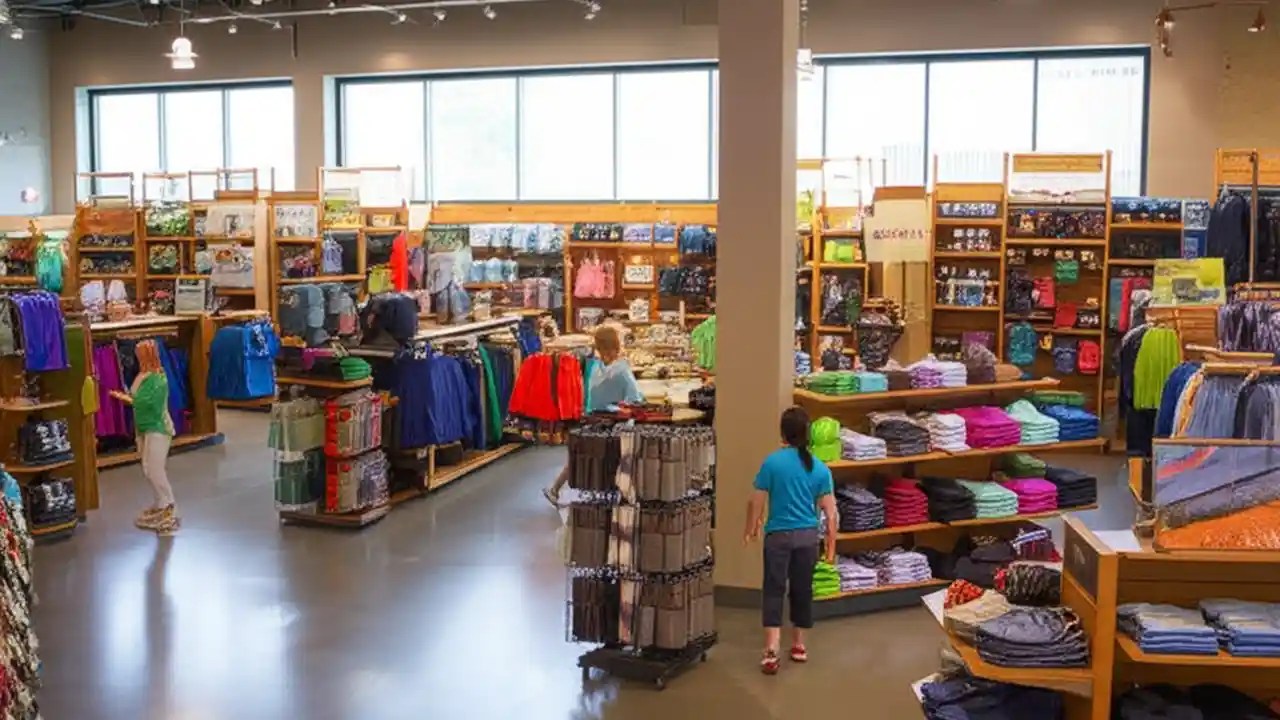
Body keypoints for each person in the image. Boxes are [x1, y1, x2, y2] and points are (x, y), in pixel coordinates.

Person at [744, 406, 837, 675]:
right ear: (808, 434)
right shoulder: (819, 468)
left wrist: (750, 529)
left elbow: (756, 501)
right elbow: (831, 514)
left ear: (782, 433)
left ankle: (771, 651)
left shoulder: (772, 463)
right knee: (802, 590)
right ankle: (798, 645)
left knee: (774, 590)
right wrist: (831, 546)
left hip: (778, 537)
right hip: (808, 538)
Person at [542, 324, 643, 506]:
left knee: (578, 456)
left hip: (592, 420)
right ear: (616, 345)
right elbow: (635, 399)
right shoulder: (621, 371)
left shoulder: (596, 368)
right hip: (613, 424)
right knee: (620, 459)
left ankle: (556, 488)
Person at [110, 339, 179, 536]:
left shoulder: (158, 379)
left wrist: (127, 399)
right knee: (148, 468)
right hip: (144, 428)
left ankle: (169, 506)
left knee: (156, 469)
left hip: (158, 428)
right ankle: (161, 504)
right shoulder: (142, 376)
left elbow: (150, 403)